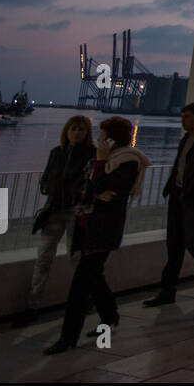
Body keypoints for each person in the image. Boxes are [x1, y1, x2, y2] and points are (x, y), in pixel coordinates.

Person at [45, 117, 150, 354]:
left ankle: (68, 337)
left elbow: (108, 189)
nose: (100, 140)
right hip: (88, 224)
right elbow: (89, 188)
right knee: (94, 276)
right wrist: (96, 186)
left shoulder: (127, 161)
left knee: (80, 285)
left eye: (103, 135)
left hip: (104, 228)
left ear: (113, 138)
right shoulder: (105, 160)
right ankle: (110, 316)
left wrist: (100, 169)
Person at [13, 115, 95, 327]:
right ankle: (33, 306)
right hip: (54, 210)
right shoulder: (56, 153)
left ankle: (82, 300)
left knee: (75, 257)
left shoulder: (91, 155)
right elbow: (46, 180)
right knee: (44, 257)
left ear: (87, 134)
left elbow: (89, 182)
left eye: (81, 130)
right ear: (67, 132)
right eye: (73, 129)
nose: (76, 133)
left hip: (76, 212)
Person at [144, 102, 194, 308]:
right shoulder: (186, 139)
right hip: (178, 196)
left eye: (187, 116)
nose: (183, 120)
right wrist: (171, 187)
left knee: (192, 240)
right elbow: (180, 165)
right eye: (182, 116)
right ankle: (167, 291)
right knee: (174, 244)